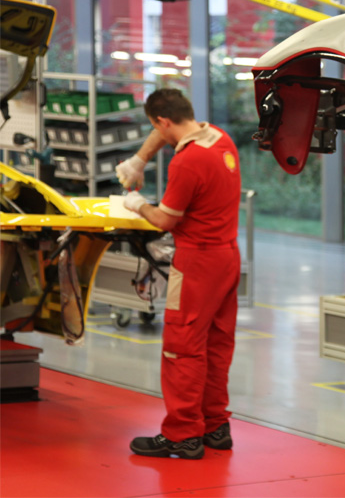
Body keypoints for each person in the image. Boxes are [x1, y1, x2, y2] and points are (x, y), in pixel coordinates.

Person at [119, 88, 242, 460]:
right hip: (227, 257)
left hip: (197, 263)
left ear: (162, 121)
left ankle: (183, 435)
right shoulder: (220, 139)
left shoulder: (187, 162)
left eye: (156, 126)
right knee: (216, 345)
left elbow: (164, 220)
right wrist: (140, 159)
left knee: (182, 347)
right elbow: (168, 130)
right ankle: (215, 426)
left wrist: (136, 203)